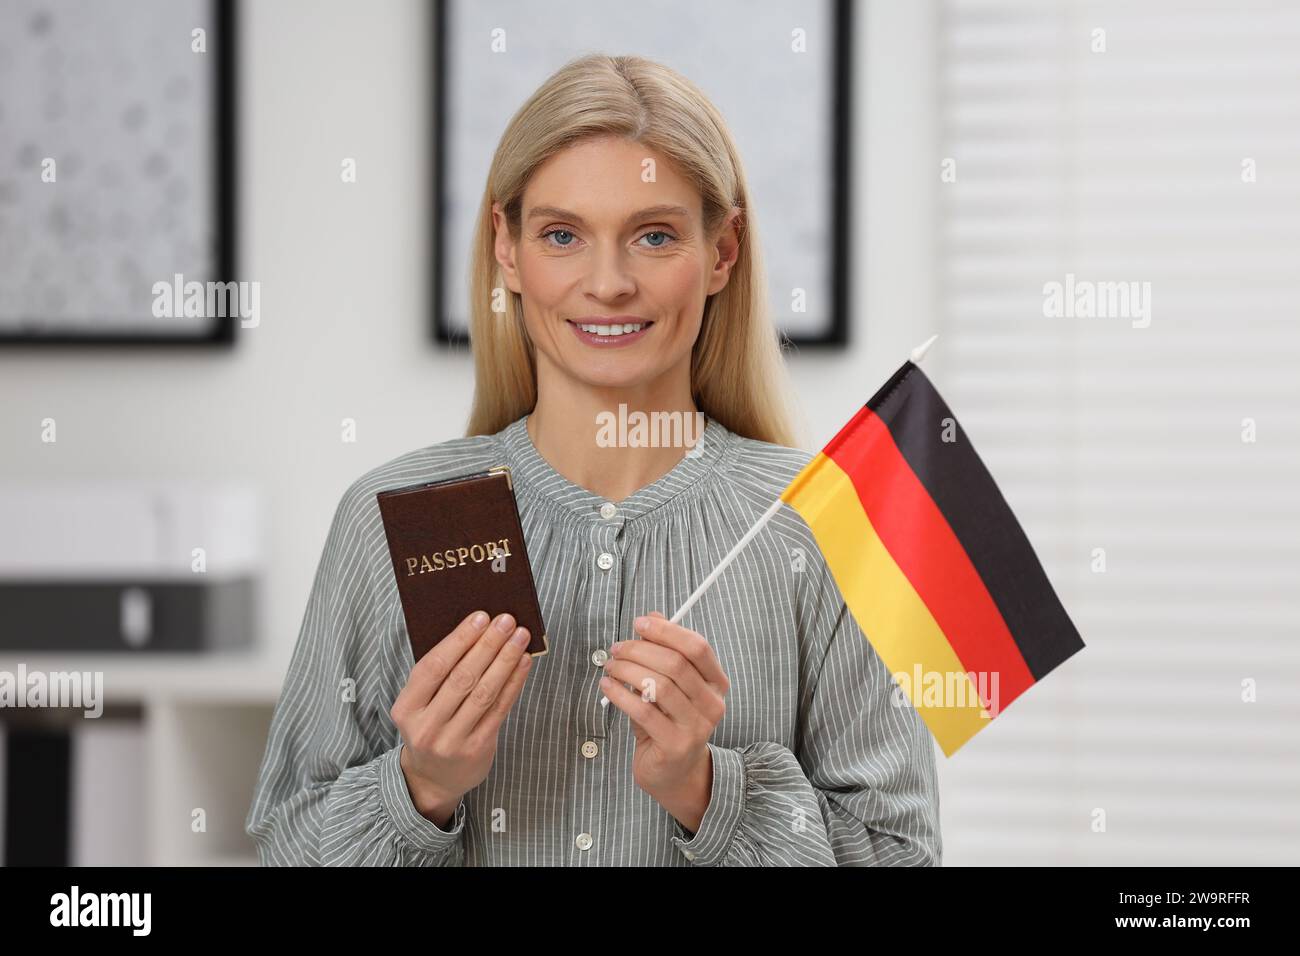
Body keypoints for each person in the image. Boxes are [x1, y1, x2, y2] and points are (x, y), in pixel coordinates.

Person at [245, 52, 941, 866]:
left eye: (653, 235)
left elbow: (900, 857)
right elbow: (287, 844)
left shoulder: (831, 526)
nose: (607, 284)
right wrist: (419, 785)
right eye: (562, 235)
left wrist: (708, 790)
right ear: (506, 248)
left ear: (723, 251)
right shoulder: (389, 516)